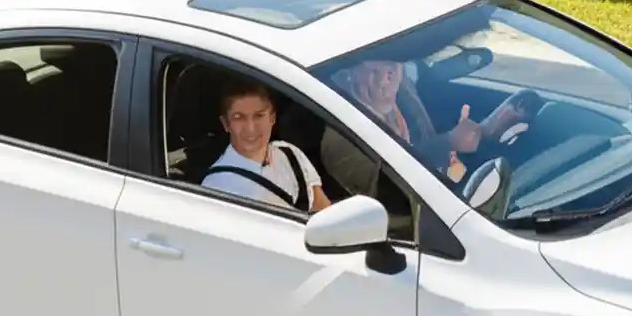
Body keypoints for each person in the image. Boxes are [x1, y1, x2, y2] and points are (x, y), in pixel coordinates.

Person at [336, 59, 528, 183]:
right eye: (373, 71)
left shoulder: (403, 96)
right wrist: (446, 143)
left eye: (392, 69)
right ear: (349, 75)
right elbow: (386, 186)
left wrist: (486, 131)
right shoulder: (341, 134)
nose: (385, 80)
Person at [201, 79, 332, 213]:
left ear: (272, 118)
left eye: (259, 116)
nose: (250, 128)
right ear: (226, 124)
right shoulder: (215, 186)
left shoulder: (289, 153)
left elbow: (323, 209)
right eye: (239, 117)